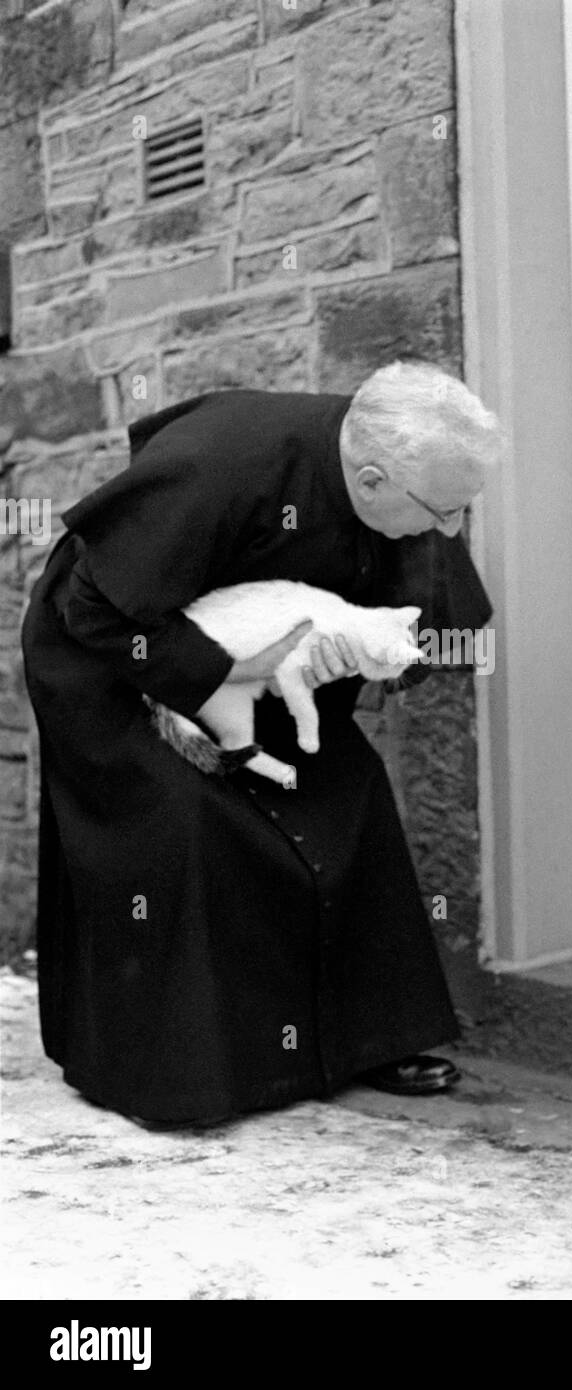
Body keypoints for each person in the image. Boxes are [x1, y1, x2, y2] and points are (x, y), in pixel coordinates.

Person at [21, 359, 501, 1127]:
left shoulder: (415, 473)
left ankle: (369, 1038)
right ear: (370, 480)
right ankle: (180, 1070)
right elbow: (98, 609)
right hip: (119, 648)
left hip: (270, 655)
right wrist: (219, 677)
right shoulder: (222, 464)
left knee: (347, 789)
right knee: (182, 816)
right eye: (440, 513)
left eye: (460, 512)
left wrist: (353, 654)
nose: (449, 532)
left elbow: (430, 631)